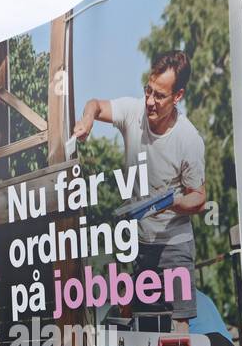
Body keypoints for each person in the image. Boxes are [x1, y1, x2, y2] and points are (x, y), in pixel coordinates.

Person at [73, 49, 207, 327]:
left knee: (178, 328)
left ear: (178, 96)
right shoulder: (133, 113)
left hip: (174, 243)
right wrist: (87, 121)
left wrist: (170, 202)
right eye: (148, 91)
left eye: (159, 96)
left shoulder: (189, 139)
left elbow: (199, 198)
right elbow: (95, 104)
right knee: (144, 326)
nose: (149, 101)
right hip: (140, 243)